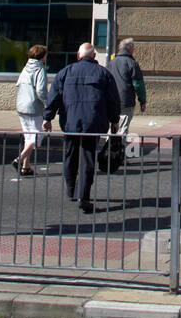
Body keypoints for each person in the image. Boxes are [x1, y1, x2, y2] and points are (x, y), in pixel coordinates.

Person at [42, 43, 120, 212]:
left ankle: (71, 191)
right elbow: (113, 99)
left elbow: (53, 96)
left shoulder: (66, 72)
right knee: (87, 159)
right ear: (94, 57)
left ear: (78, 56)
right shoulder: (104, 74)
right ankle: (84, 196)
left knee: (70, 155)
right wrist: (114, 121)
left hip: (71, 122)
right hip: (93, 123)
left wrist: (47, 118)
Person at [13, 44, 48, 176]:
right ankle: (19, 160)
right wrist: (47, 104)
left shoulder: (25, 68)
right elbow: (40, 91)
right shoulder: (40, 69)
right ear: (42, 56)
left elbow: (18, 85)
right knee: (36, 136)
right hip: (34, 107)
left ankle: (25, 167)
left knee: (28, 137)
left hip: (21, 106)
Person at [109, 38, 147, 138]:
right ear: (129, 48)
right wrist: (142, 101)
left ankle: (108, 149)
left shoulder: (111, 63)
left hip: (112, 100)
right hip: (126, 101)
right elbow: (138, 84)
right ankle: (120, 151)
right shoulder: (131, 63)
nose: (134, 49)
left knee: (112, 127)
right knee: (122, 129)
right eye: (133, 47)